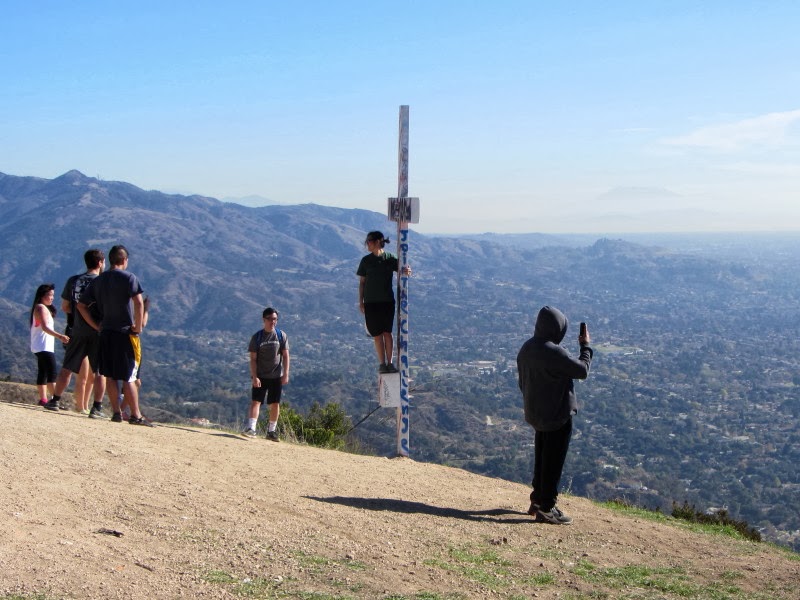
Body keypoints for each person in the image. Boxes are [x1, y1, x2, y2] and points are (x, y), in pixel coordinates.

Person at [517, 306, 593, 525]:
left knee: (542, 458)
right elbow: (582, 371)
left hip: (536, 413)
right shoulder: (553, 352)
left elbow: (523, 381)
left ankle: (537, 500)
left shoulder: (527, 348)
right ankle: (547, 508)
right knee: (553, 462)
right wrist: (585, 346)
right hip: (557, 415)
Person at [78, 244, 152, 427]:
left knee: (110, 375)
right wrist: (137, 326)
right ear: (124, 260)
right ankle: (136, 415)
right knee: (129, 376)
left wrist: (96, 325)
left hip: (106, 332)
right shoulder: (129, 278)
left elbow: (81, 305)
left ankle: (116, 413)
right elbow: (138, 302)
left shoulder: (99, 280)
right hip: (125, 333)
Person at [46, 249, 108, 417]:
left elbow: (65, 307)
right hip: (98, 332)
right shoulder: (103, 282)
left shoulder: (73, 281)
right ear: (101, 262)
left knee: (67, 367)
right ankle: (97, 408)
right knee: (99, 371)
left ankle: (55, 400)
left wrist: (77, 317)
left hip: (77, 330)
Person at [356, 231, 411, 373]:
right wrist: (361, 301)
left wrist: (407, 271)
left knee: (387, 332)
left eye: (368, 241)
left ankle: (390, 363)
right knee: (377, 334)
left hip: (386, 301)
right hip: (370, 302)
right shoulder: (366, 261)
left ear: (377, 242)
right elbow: (362, 282)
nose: (367, 244)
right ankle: (382, 363)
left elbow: (402, 270)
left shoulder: (390, 258)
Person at [243, 307, 290, 441]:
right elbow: (252, 358)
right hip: (261, 375)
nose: (273, 322)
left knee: (275, 403)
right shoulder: (257, 337)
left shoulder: (281, 336)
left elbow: (286, 356)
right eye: (270, 319)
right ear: (264, 320)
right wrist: (255, 376)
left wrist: (286, 374)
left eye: (275, 319)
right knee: (256, 401)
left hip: (276, 376)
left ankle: (271, 431)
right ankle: (251, 428)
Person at [30, 284, 69, 407]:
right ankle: (54, 400)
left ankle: (44, 399)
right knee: (51, 373)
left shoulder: (41, 308)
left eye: (52, 295)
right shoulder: (41, 308)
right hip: (43, 346)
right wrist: (60, 336)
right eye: (49, 295)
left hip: (40, 345)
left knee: (43, 372)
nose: (52, 297)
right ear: (42, 295)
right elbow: (45, 327)